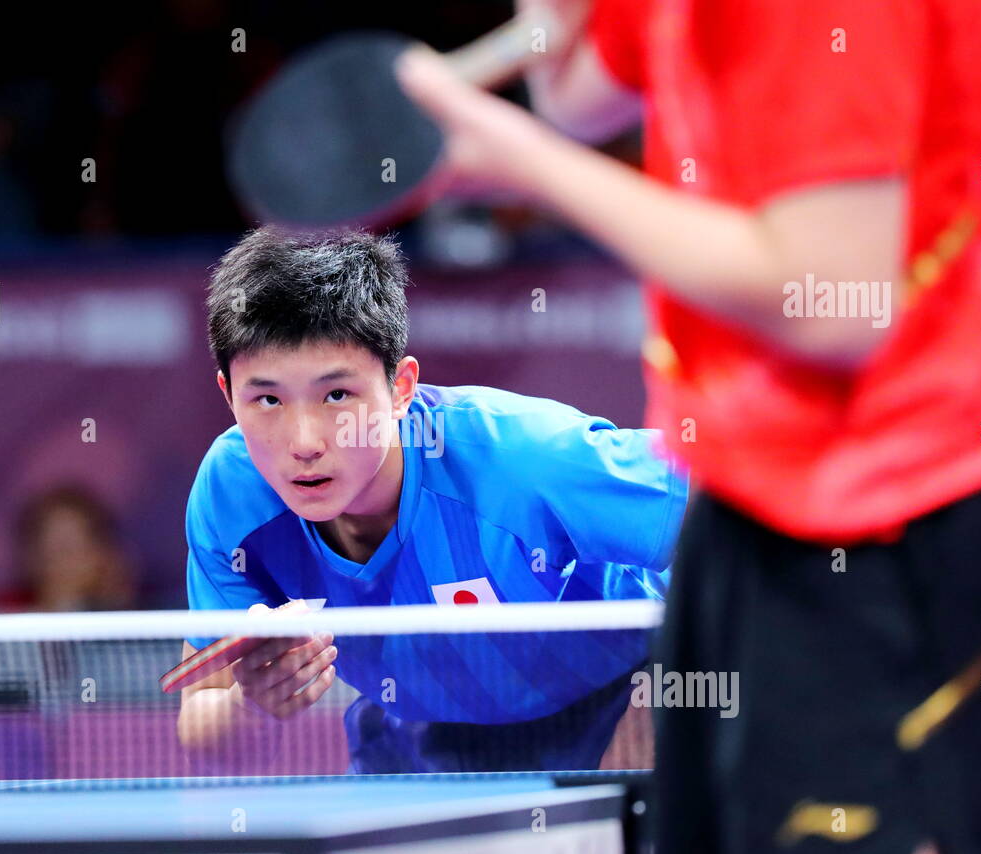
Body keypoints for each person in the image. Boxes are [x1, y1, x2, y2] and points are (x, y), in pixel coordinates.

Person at [393, 0, 981, 854]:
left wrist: (516, 162)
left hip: (914, 506)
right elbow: (577, 88)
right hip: (756, 497)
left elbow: (837, 299)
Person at [176, 227, 687, 773]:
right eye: (268, 398)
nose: (304, 443)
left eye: (337, 395)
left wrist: (665, 690)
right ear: (229, 395)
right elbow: (202, 731)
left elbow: (736, 511)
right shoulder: (231, 495)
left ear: (400, 389)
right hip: (417, 731)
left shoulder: (521, 456)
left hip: (612, 697)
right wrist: (251, 707)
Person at [0, 485, 136, 613]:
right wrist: (64, 602)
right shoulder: (4, 612)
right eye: (63, 549)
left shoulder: (136, 606)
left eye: (85, 545)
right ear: (33, 559)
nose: (79, 560)